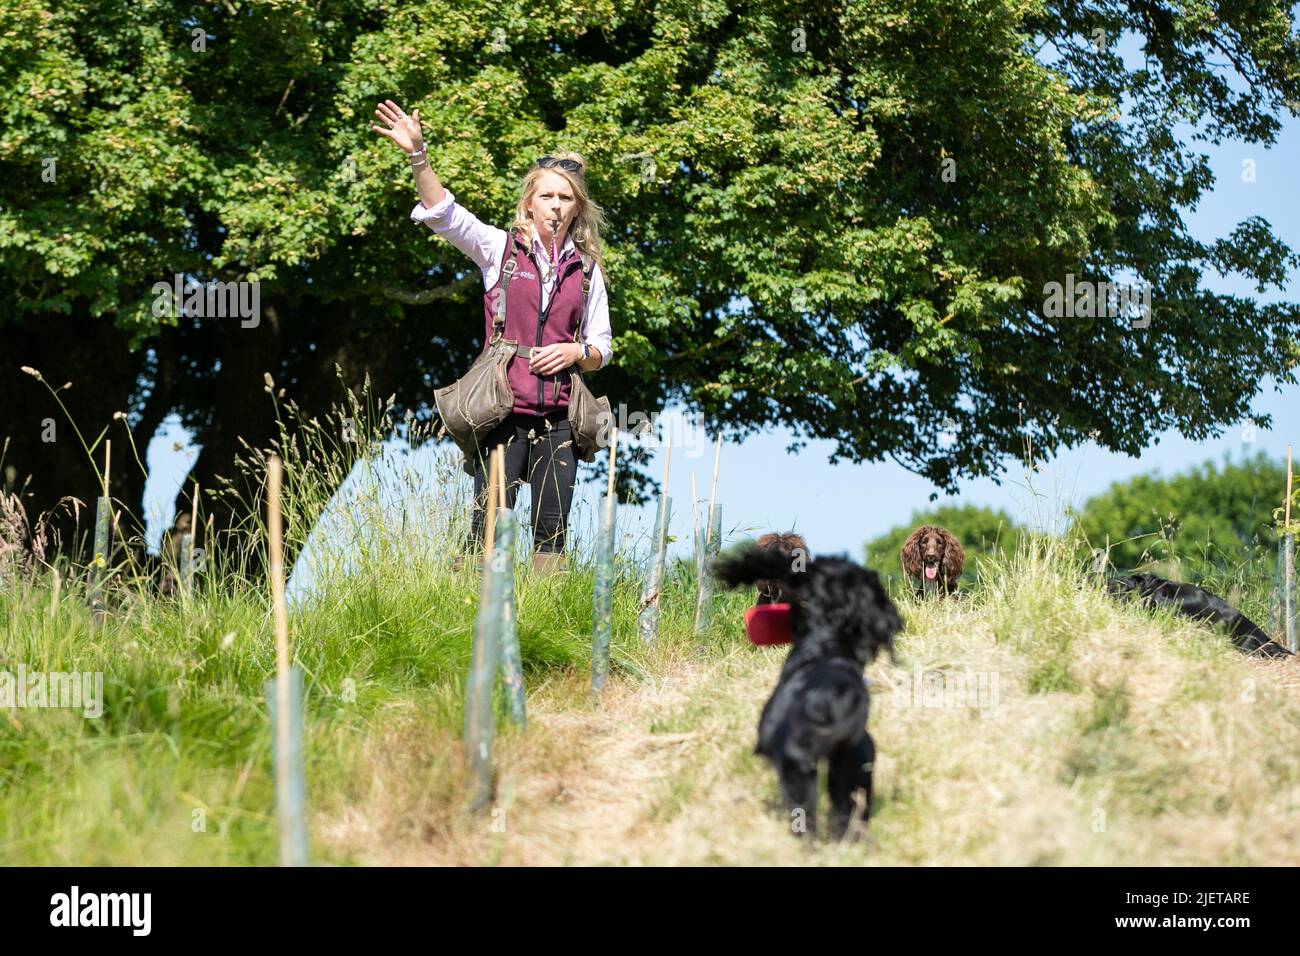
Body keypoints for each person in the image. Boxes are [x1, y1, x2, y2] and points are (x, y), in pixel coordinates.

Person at [372, 100, 613, 574]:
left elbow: (602, 347)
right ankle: (475, 620)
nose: (556, 206)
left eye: (566, 199)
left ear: (577, 208)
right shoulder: (497, 249)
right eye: (547, 197)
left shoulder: (587, 271)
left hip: (560, 416)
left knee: (553, 529)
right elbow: (442, 212)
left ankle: (542, 628)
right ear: (530, 203)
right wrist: (418, 156)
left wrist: (575, 351)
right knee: (490, 524)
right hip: (503, 409)